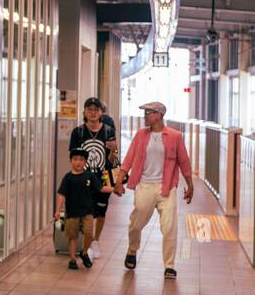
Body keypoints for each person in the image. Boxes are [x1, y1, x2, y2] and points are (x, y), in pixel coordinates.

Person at [121, 102, 194, 279]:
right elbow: (129, 157)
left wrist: (190, 184)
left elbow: (183, 160)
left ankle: (169, 265)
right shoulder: (140, 135)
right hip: (145, 185)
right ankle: (132, 248)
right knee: (136, 223)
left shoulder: (175, 136)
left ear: (159, 115)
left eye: (148, 113)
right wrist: (119, 180)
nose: (145, 116)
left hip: (166, 187)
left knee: (169, 226)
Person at [68, 97, 121, 258]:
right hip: (83, 178)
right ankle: (86, 244)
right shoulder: (78, 132)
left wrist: (114, 150)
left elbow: (112, 160)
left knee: (100, 212)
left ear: (101, 112)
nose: (92, 113)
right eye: (89, 109)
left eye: (96, 110)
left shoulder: (108, 131)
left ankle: (95, 240)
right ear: (84, 111)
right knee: (85, 211)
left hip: (103, 177)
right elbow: (73, 156)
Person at [55, 148, 108, 269]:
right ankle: (72, 259)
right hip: (72, 213)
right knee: (72, 236)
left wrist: (114, 189)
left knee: (89, 233)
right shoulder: (67, 178)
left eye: (81, 160)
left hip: (88, 211)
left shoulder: (89, 175)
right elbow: (61, 194)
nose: (78, 162)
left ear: (85, 162)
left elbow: (100, 188)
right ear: (70, 161)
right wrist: (58, 210)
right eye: (75, 159)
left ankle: (84, 252)